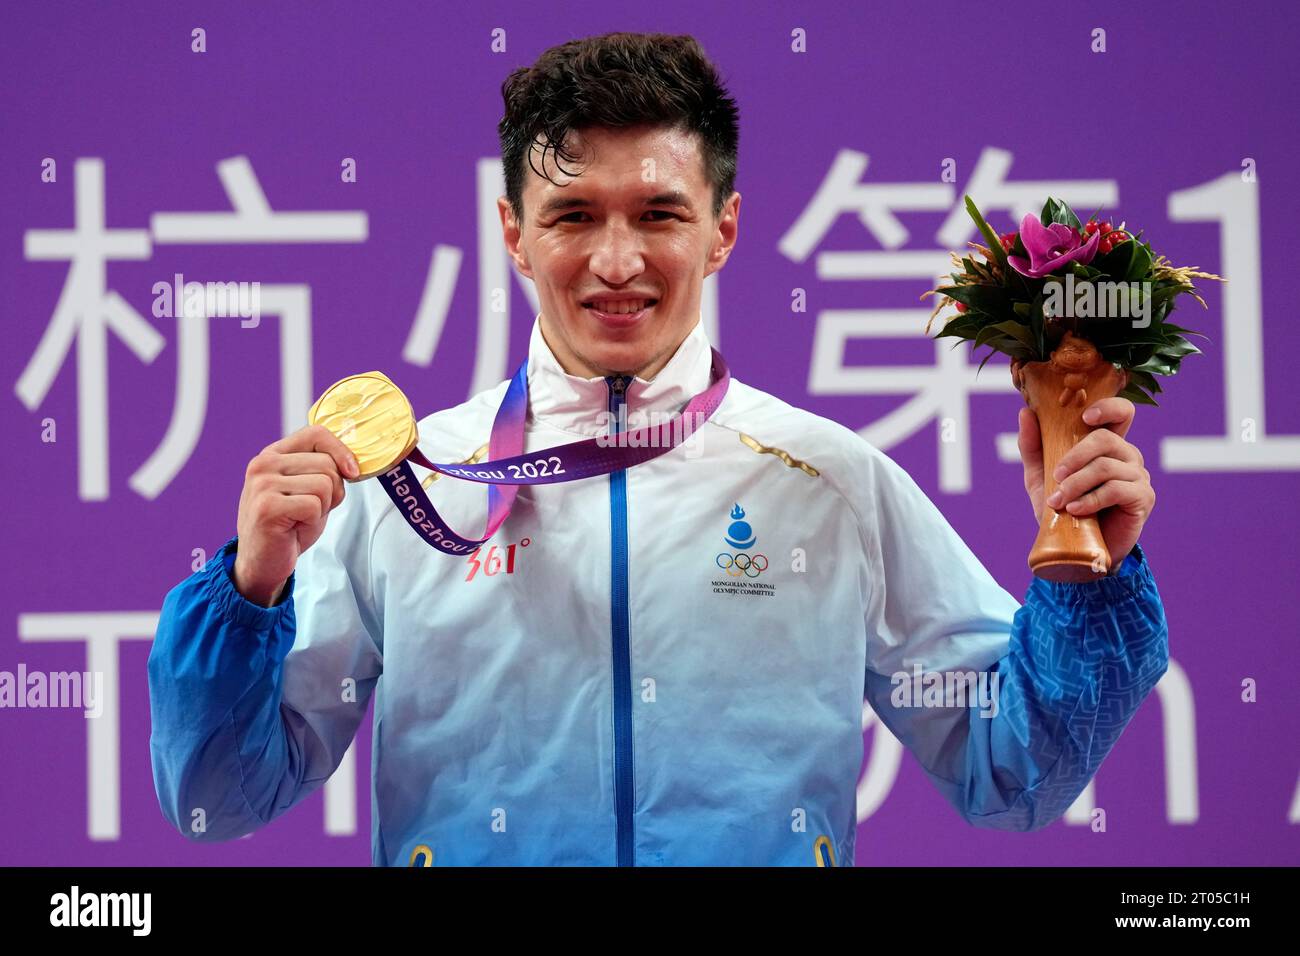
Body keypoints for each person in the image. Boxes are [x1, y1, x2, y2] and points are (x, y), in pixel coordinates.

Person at [147, 32, 1167, 867]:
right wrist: (250, 590)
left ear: (722, 230)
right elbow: (216, 798)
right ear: (512, 232)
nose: (617, 260)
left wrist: (1088, 573)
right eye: (574, 216)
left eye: (659, 215)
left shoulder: (833, 481)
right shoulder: (404, 486)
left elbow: (1013, 774)